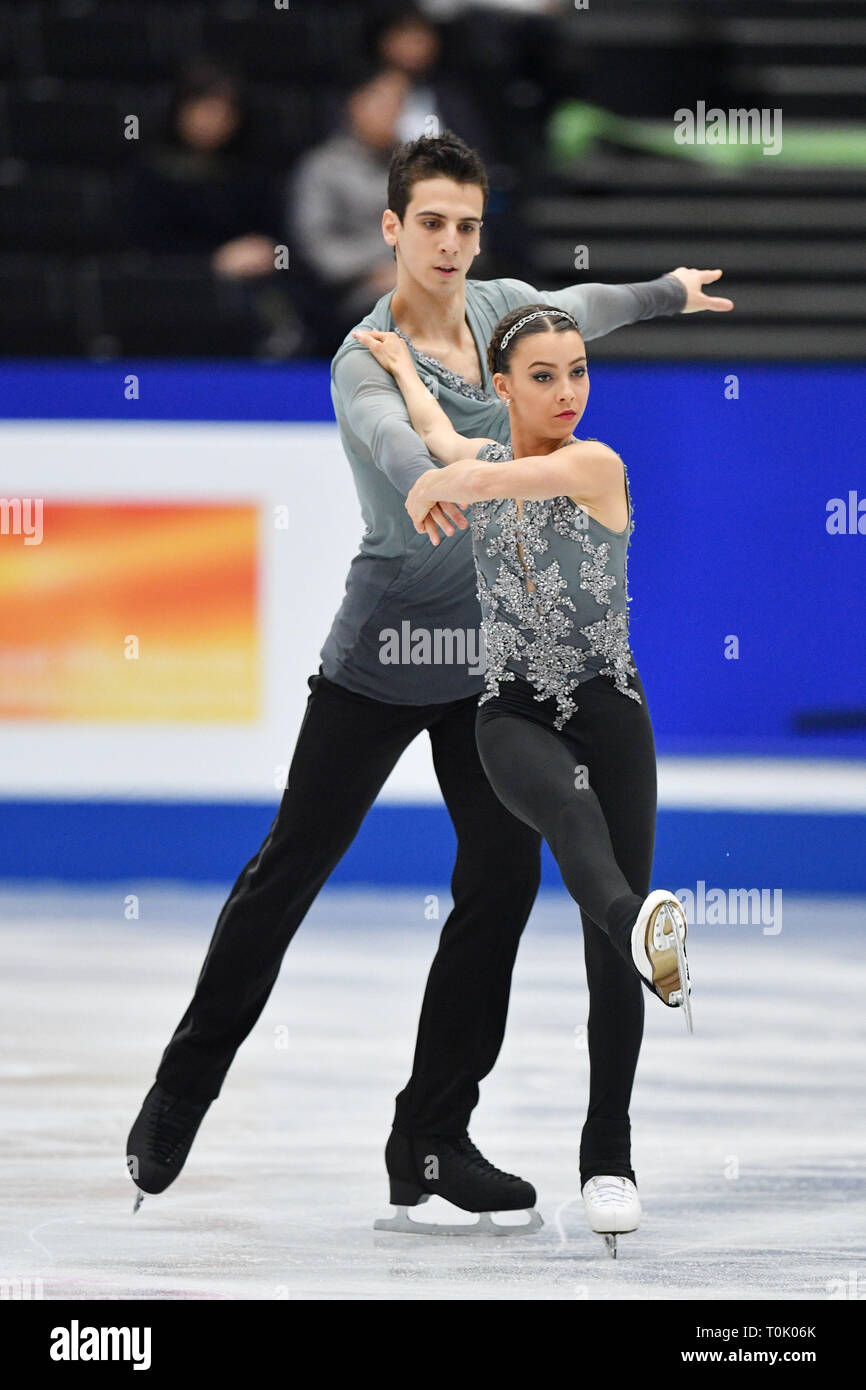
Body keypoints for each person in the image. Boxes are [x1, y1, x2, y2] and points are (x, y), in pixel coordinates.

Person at [126, 132, 730, 1235]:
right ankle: (184, 1086)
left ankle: (432, 1136)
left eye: (467, 224)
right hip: (380, 654)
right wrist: (423, 482)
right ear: (391, 227)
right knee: (288, 868)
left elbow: (581, 309)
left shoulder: (505, 311)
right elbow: (384, 434)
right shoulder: (363, 350)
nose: (450, 244)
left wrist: (665, 292)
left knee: (495, 890)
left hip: (489, 671)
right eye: (431, 223)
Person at [354, 305, 692, 1252]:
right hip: (512, 713)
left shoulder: (595, 465)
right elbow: (436, 436)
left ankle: (608, 1159)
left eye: (578, 371)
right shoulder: (489, 449)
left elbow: (476, 471)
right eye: (543, 376)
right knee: (575, 836)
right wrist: (402, 367)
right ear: (504, 388)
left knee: (602, 959)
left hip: (612, 717)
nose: (568, 393)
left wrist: (441, 479)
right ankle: (640, 926)